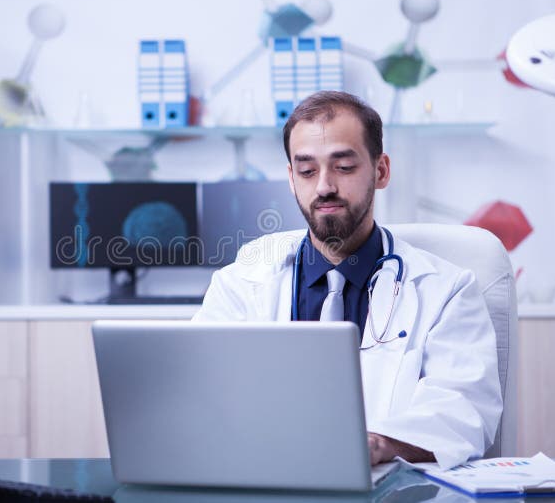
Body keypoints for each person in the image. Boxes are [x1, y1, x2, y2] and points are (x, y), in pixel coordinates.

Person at [193, 90, 502, 470]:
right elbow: (202, 393)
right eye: (307, 170)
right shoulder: (243, 280)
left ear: (381, 170)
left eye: (343, 167)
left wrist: (378, 444)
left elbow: (465, 410)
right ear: (291, 179)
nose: (323, 186)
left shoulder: (446, 290)